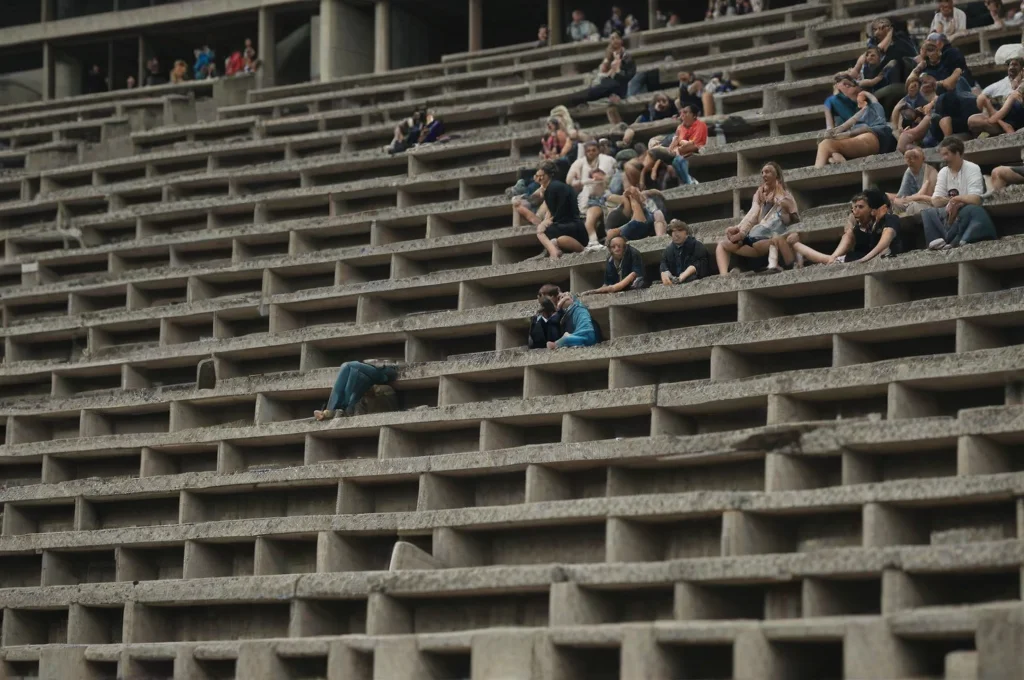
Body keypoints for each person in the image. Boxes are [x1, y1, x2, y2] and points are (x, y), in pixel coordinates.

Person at [716, 162, 798, 274]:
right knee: (722, 244)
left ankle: (782, 266)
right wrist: (739, 230)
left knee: (773, 240)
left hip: (771, 238)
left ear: (777, 176)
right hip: (755, 236)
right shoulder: (759, 194)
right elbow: (752, 214)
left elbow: (793, 219)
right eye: (762, 172)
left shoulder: (786, 196)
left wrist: (781, 204)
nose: (764, 175)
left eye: (768, 172)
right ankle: (724, 277)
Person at [784, 189, 902, 266]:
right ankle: (798, 246)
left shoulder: (890, 219)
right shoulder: (861, 225)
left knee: (828, 259)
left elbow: (884, 242)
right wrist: (834, 257)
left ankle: (797, 246)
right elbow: (849, 230)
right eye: (854, 208)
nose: (856, 211)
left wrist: (863, 260)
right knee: (831, 258)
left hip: (880, 257)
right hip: (860, 257)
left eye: (861, 207)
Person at [921, 137, 995, 249]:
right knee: (928, 212)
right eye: (942, 155)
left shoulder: (972, 168)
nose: (944, 158)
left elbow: (976, 199)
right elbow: (935, 200)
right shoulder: (943, 172)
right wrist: (952, 201)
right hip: (948, 209)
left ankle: (950, 241)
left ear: (958, 153)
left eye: (946, 154)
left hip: (967, 209)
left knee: (968, 209)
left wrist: (957, 200)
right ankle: (936, 242)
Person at [815, 89, 896, 167]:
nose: (858, 100)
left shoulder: (875, 108)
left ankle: (820, 173)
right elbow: (845, 125)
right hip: (864, 138)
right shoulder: (860, 113)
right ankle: (839, 161)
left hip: (873, 136)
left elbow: (865, 128)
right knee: (832, 155)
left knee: (826, 145)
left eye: (860, 99)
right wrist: (833, 132)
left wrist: (865, 93)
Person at [530, 161, 589, 259]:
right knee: (548, 232)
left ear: (549, 175)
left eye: (542, 176)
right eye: (537, 176)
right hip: (577, 225)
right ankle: (554, 250)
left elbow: (558, 213)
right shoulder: (556, 186)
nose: (539, 179)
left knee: (541, 231)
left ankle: (554, 253)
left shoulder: (552, 189)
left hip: (570, 226)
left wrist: (546, 223)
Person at [314, 360, 398, 420]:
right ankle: (332, 411)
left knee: (348, 367)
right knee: (357, 376)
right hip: (367, 377)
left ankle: (330, 411)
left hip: (384, 372)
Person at [647, 105, 707, 185]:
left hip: (679, 150)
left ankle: (688, 181)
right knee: (654, 144)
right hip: (670, 146)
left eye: (686, 113)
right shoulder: (681, 128)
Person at [968, 57, 1024, 136]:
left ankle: (1005, 128)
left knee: (976, 120)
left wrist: (988, 104)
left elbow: (993, 119)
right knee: (973, 119)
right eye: (1010, 65)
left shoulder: (1015, 94)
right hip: (1001, 118)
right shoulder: (1004, 86)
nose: (1011, 67)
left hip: (1012, 120)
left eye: (1015, 65)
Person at [888, 148, 938, 216]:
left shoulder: (931, 172)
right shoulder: (909, 171)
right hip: (910, 202)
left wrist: (908, 199)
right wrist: (900, 199)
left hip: (927, 204)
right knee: (891, 203)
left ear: (923, 159)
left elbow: (926, 197)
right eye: (908, 158)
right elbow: (901, 196)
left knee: (915, 207)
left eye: (915, 157)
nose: (910, 160)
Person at [660, 220, 709, 285]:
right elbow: (664, 263)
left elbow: (702, 263)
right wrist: (665, 272)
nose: (676, 234)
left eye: (679, 230)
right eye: (673, 231)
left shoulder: (696, 245)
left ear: (686, 232)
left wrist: (686, 273)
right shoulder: (668, 250)